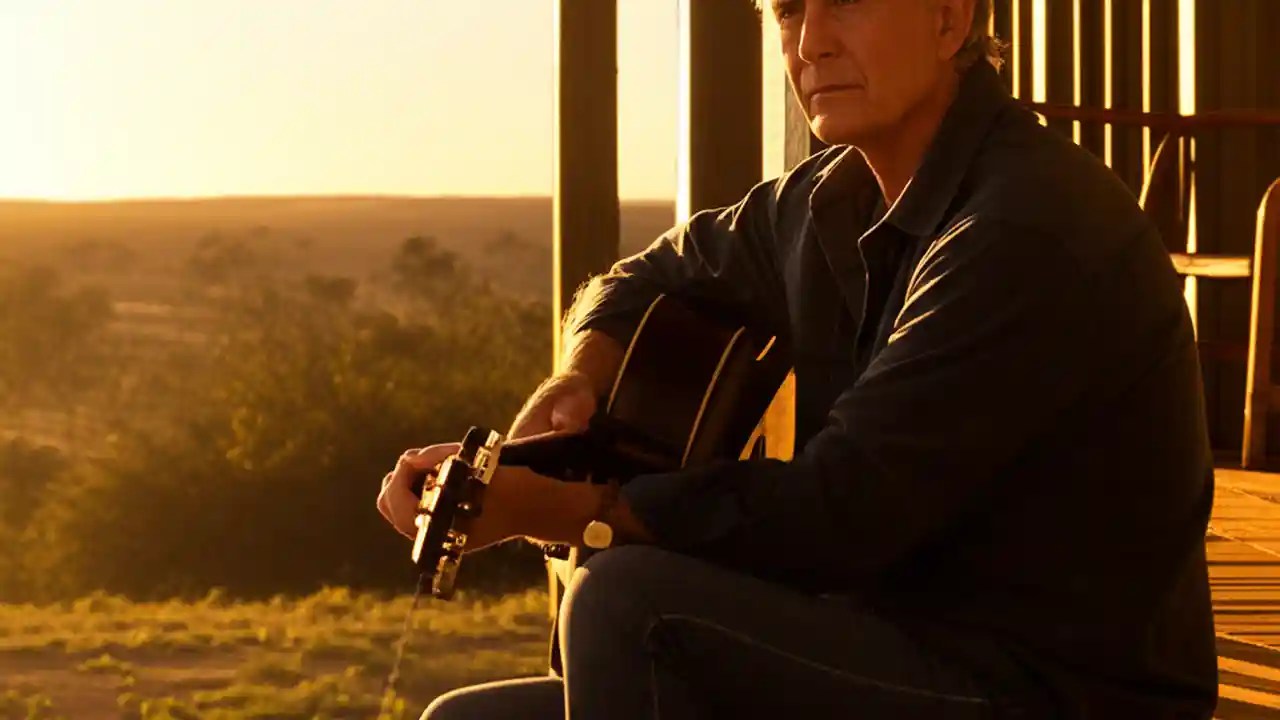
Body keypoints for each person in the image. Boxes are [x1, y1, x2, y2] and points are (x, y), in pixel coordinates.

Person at [376, 0, 1220, 717]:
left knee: (626, 607)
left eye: (844, 2)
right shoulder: (826, 201)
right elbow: (644, 277)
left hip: (1049, 686)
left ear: (950, 18)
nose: (810, 41)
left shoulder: (1024, 226)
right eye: (787, 10)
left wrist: (565, 509)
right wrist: (579, 376)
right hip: (889, 638)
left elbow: (835, 511)